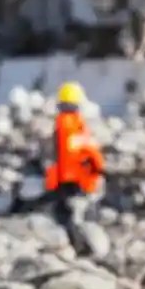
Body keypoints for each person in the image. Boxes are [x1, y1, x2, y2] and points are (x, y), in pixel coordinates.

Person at [45, 81, 105, 226]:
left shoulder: (61, 122)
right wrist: (98, 167)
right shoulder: (76, 122)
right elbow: (86, 147)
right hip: (77, 176)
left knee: (64, 210)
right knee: (78, 214)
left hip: (63, 176)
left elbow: (56, 151)